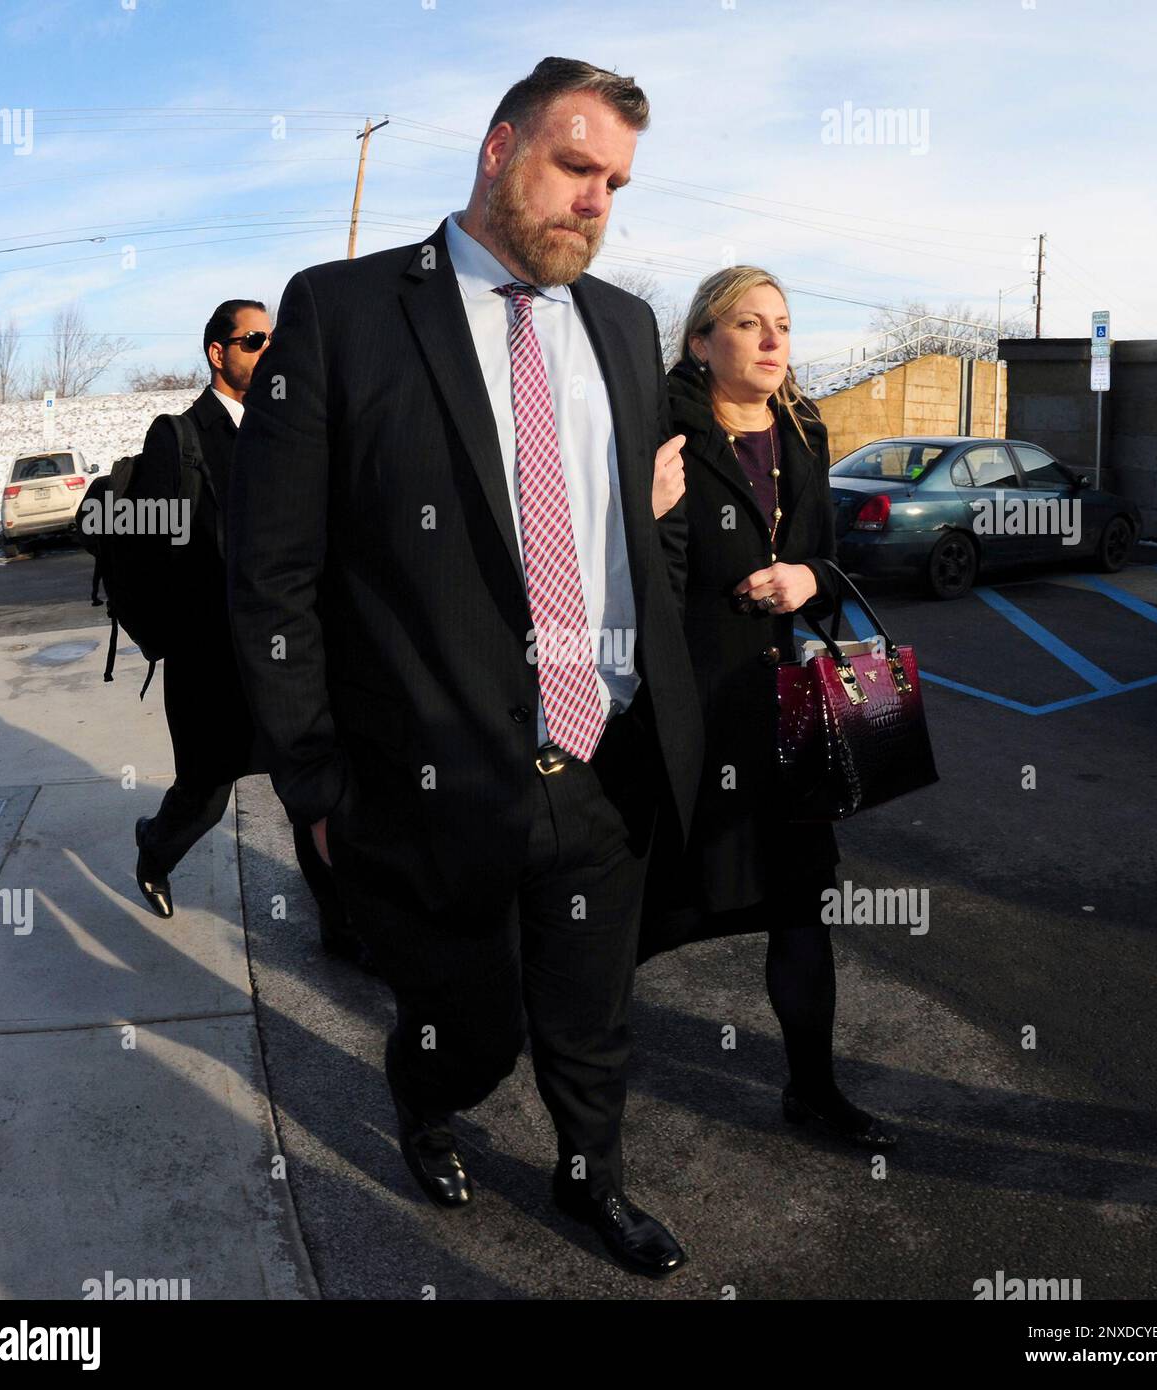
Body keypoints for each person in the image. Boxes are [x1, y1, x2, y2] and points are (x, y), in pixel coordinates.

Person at [226, 58, 703, 1278]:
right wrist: (316, 783)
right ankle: (429, 1104)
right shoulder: (344, 312)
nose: (598, 201)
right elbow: (271, 572)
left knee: (593, 1021)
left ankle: (592, 1175)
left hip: (602, 763)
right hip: (426, 783)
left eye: (618, 183)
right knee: (467, 1027)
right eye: (575, 167)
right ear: (498, 150)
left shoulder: (625, 325)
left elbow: (616, 539)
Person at [643, 266, 897, 1148]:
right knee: (647, 912)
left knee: (798, 907)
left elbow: (830, 562)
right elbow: (621, 571)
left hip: (789, 717)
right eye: (746, 323)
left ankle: (813, 1091)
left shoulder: (804, 426)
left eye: (781, 323)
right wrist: (643, 515)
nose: (770, 339)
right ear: (701, 341)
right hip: (685, 716)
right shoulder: (662, 428)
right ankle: (546, 1053)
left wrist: (807, 579)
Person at [132, 300, 348, 961]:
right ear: (218, 354)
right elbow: (156, 557)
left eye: (274, 339)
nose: (269, 350)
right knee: (203, 799)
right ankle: (153, 852)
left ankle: (344, 931)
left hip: (287, 661)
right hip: (213, 666)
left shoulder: (291, 425)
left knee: (311, 797)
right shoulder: (178, 437)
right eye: (254, 340)